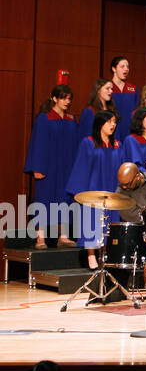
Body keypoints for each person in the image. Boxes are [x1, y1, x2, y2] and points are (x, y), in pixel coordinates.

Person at [23, 85, 79, 249]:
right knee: (45, 200)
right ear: (54, 98)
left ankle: (63, 236)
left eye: (69, 98)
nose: (67, 102)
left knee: (65, 200)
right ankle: (40, 238)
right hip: (48, 167)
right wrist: (36, 167)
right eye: (63, 98)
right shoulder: (44, 118)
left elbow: (76, 145)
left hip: (67, 166)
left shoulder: (72, 119)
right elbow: (38, 143)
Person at [66, 110, 123, 260]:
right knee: (92, 220)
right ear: (100, 124)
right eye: (109, 121)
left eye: (114, 122)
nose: (113, 125)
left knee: (111, 221)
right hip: (94, 187)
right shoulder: (89, 142)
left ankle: (104, 254)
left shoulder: (117, 144)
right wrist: (80, 192)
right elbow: (82, 167)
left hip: (112, 187)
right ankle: (91, 254)